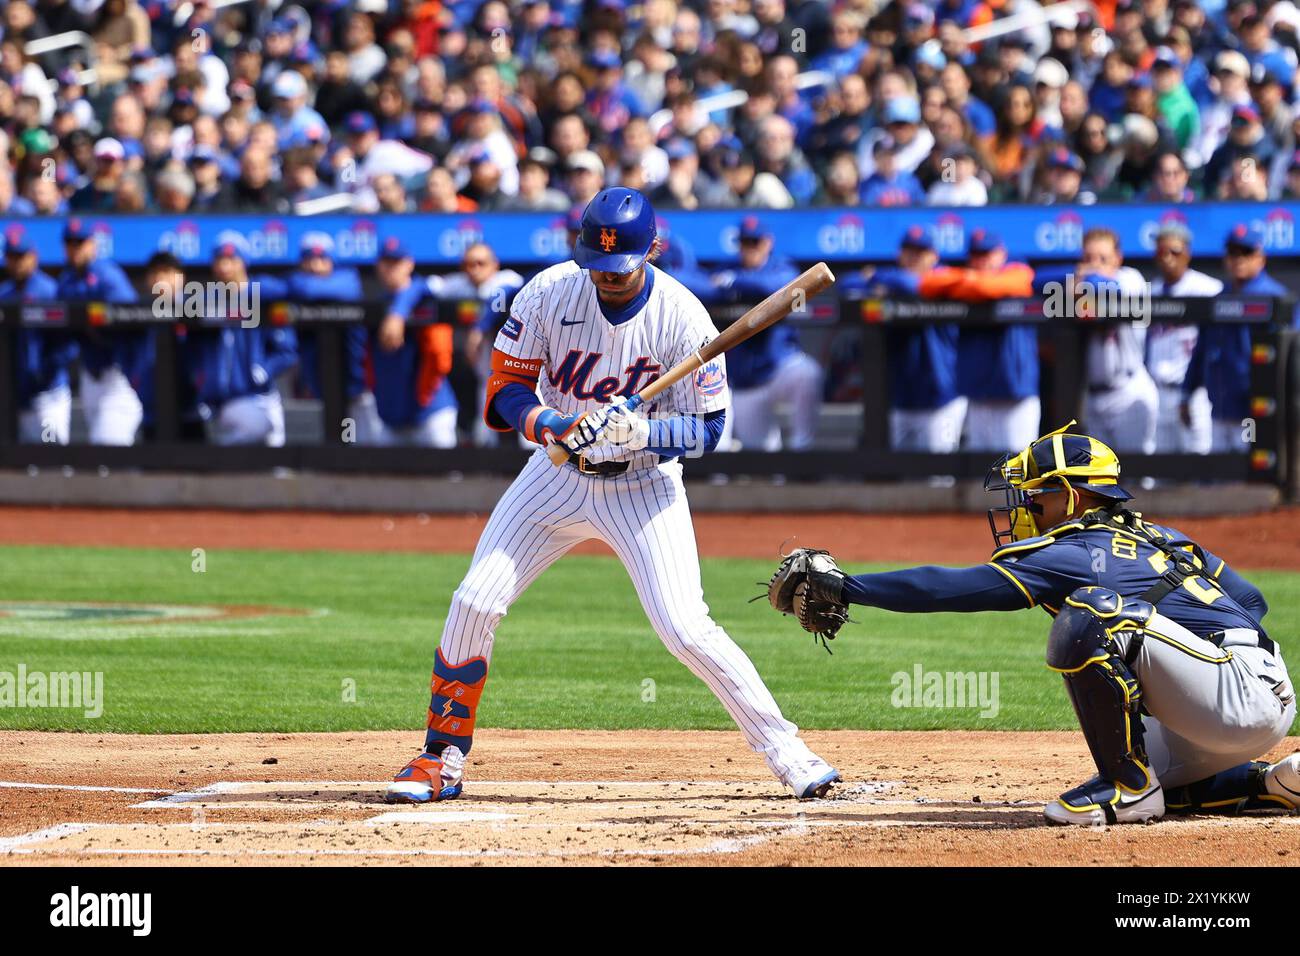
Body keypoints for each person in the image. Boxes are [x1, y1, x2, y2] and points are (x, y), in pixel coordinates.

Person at [385, 187, 840, 805]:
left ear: (651, 249)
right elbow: (504, 390)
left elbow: (708, 430)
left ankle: (791, 754)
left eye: (619, 268)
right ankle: (441, 757)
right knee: (474, 601)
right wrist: (551, 424)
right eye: (596, 268)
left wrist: (641, 431)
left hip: (643, 486)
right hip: (555, 477)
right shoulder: (548, 292)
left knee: (684, 628)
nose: (606, 280)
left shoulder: (683, 317)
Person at [768, 424, 1298, 825]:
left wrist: (850, 585)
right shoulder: (1162, 535)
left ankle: (1126, 785)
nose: (1025, 506)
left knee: (1092, 612)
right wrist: (1196, 664)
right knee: (1169, 783)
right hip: (1251, 690)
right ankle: (1272, 781)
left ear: (1073, 496)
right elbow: (1250, 600)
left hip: (1234, 695)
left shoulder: (1077, 549)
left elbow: (956, 589)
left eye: (1036, 495)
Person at [841, 227, 964, 452]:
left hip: (941, 400)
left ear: (934, 255)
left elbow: (913, 285)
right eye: (909, 250)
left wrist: (876, 277)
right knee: (893, 476)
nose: (914, 257)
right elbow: (847, 284)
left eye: (921, 251)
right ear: (899, 254)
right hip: (899, 400)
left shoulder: (944, 280)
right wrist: (881, 283)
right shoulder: (891, 284)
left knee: (938, 477)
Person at [708, 215, 822, 451]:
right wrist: (729, 280)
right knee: (762, 455)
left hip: (781, 367)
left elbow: (774, 286)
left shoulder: (780, 267)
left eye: (755, 242)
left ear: (767, 242)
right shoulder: (726, 268)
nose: (749, 249)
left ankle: (804, 448)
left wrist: (733, 282)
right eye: (744, 243)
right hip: (747, 381)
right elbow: (700, 285)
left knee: (808, 374)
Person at [921, 229, 1039, 451]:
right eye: (976, 254)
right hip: (978, 396)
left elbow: (989, 287)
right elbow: (927, 283)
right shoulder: (964, 278)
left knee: (1018, 476)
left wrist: (968, 282)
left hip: (1015, 397)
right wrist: (969, 279)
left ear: (1002, 253)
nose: (981, 260)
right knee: (982, 477)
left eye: (987, 253)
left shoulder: (1018, 272)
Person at [176, 238, 297, 446]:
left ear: (243, 262)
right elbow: (178, 305)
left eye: (231, 259)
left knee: (274, 464)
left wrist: (262, 370)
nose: (224, 266)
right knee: (258, 430)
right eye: (219, 260)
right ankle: (217, 460)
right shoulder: (207, 300)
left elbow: (287, 350)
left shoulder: (264, 296)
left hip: (263, 396)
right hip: (225, 399)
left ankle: (217, 459)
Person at [1183, 223, 1291, 453]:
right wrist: (1187, 392)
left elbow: (1290, 356)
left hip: (1255, 413)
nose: (1238, 259)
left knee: (1252, 479)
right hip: (1220, 410)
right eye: (1233, 253)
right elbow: (1201, 350)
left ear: (1260, 257)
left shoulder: (1275, 297)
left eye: (1246, 252)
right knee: (1221, 481)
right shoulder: (1218, 298)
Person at [57, 218, 147, 445]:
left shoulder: (107, 275)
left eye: (81, 242)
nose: (75, 248)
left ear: (93, 244)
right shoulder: (66, 280)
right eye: (70, 243)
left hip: (119, 373)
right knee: (103, 455)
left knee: (108, 443)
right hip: (90, 373)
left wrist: (94, 324)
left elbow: (130, 319)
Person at [370, 237, 462, 447]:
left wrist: (397, 314)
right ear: (378, 266)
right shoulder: (376, 303)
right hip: (391, 419)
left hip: (431, 412)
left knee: (449, 478)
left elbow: (424, 286)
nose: (391, 268)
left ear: (409, 264)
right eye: (386, 262)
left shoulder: (425, 291)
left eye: (397, 262)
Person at [287, 232, 378, 444]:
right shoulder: (296, 283)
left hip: (360, 393)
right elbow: (264, 288)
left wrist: (295, 285)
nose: (316, 266)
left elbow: (308, 288)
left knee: (362, 451)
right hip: (324, 392)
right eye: (309, 259)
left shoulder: (347, 280)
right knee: (337, 451)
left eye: (322, 259)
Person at [0, 226, 76, 444]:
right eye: (12, 256)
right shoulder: (4, 293)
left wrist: (44, 372)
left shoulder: (50, 291)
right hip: (15, 397)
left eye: (21, 256)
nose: (17, 262)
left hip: (48, 394)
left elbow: (67, 344)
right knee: (22, 469)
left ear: (33, 257)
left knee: (52, 456)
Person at [1148, 224, 1218, 454]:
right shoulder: (1149, 292)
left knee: (1199, 466)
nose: (1168, 258)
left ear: (1187, 253)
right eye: (1161, 252)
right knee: (1158, 475)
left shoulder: (1208, 289)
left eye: (1175, 252)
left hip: (1194, 392)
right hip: (1156, 392)